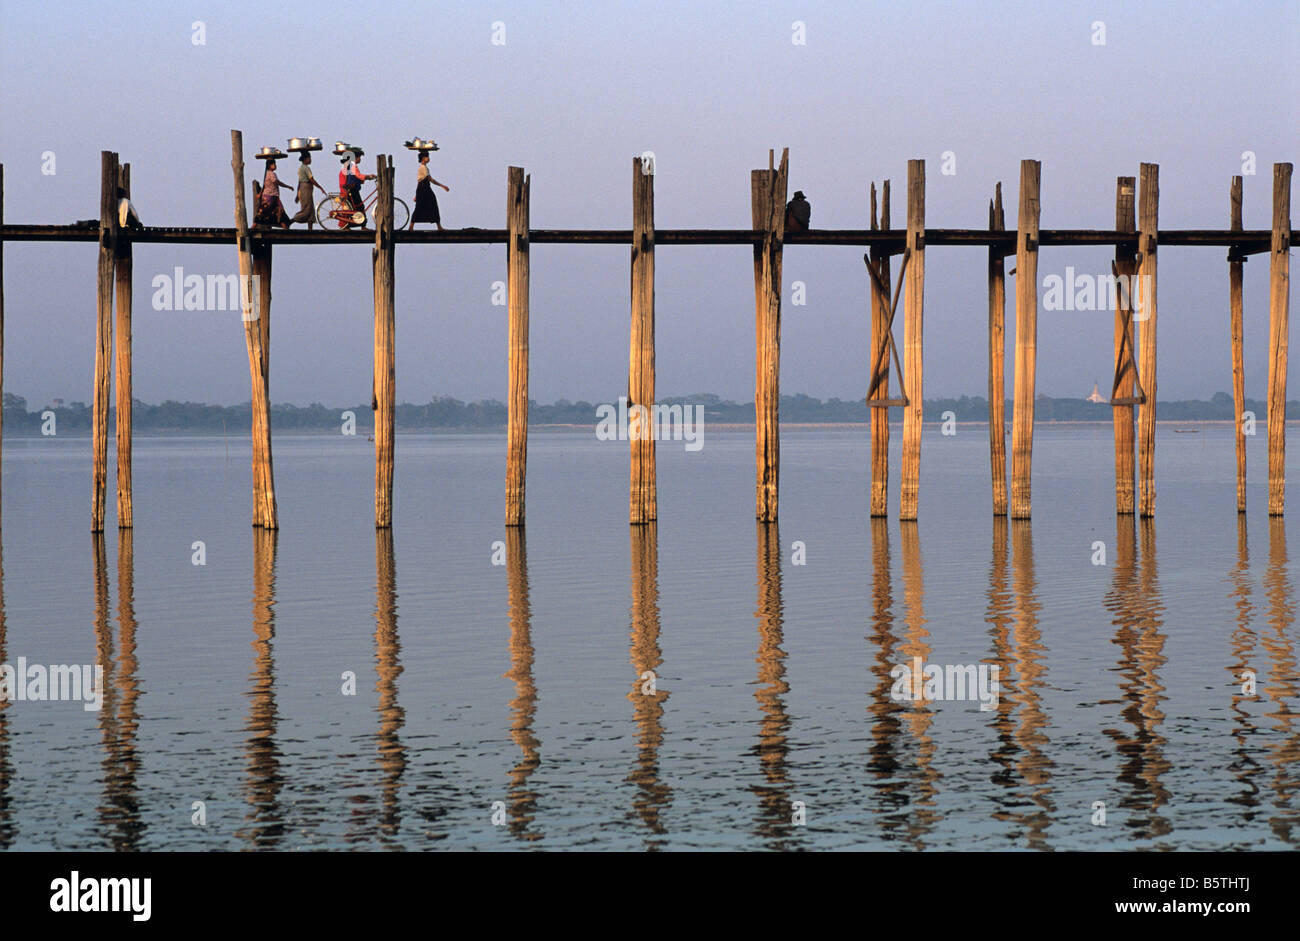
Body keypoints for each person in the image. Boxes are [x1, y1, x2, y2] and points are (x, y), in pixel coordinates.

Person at [408, 151, 450, 231]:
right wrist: (442, 186)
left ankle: (438, 226)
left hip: (423, 188)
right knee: (425, 206)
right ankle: (411, 226)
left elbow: (419, 181)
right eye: (427, 157)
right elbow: (430, 180)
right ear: (423, 158)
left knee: (429, 205)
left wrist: (416, 195)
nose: (429, 158)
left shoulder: (424, 167)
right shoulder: (423, 168)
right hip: (424, 189)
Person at [290, 152, 327, 228]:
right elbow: (311, 179)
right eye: (309, 158)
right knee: (306, 209)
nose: (310, 160)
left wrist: (297, 194)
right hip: (305, 189)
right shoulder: (305, 168)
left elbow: (299, 182)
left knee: (310, 209)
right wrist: (320, 187)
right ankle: (292, 220)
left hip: (304, 189)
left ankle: (310, 229)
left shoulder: (301, 168)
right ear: (305, 159)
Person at [337, 150, 372, 228]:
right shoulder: (352, 167)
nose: (360, 159)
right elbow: (358, 176)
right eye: (359, 157)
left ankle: (349, 225)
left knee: (352, 208)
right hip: (351, 190)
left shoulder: (347, 168)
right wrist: (368, 177)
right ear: (355, 158)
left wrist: (365, 178)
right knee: (359, 207)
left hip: (349, 190)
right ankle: (362, 226)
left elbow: (356, 178)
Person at [254, 159, 292, 229]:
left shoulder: (268, 174)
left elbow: (265, 185)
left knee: (278, 211)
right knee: (264, 212)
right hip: (270, 197)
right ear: (270, 165)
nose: (275, 166)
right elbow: (276, 182)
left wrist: (260, 194)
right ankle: (253, 226)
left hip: (272, 197)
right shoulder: (271, 174)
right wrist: (287, 186)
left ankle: (285, 227)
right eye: (274, 164)